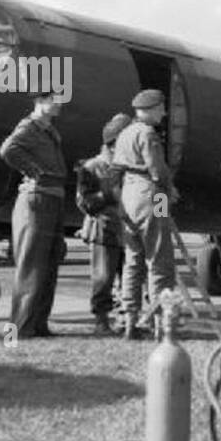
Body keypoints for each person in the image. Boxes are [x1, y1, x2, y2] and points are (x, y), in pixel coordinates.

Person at [0, 89, 68, 338]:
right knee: (31, 266)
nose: (59, 103)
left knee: (48, 265)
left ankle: (38, 324)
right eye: (54, 99)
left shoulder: (49, 131)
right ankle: (18, 329)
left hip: (52, 197)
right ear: (40, 101)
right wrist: (34, 171)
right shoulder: (29, 127)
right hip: (37, 199)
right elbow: (8, 150)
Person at [111, 88, 178, 339]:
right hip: (154, 195)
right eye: (161, 108)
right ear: (151, 109)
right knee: (161, 258)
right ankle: (160, 322)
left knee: (133, 261)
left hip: (128, 198)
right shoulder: (148, 134)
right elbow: (158, 173)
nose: (164, 112)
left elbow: (115, 169)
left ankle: (130, 318)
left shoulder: (125, 132)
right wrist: (169, 193)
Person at [76, 113, 135, 336]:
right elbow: (84, 202)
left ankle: (126, 318)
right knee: (103, 278)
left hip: (127, 230)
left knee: (129, 278)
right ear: (114, 142)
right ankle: (101, 320)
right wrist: (107, 195)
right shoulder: (92, 167)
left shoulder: (128, 167)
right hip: (104, 229)